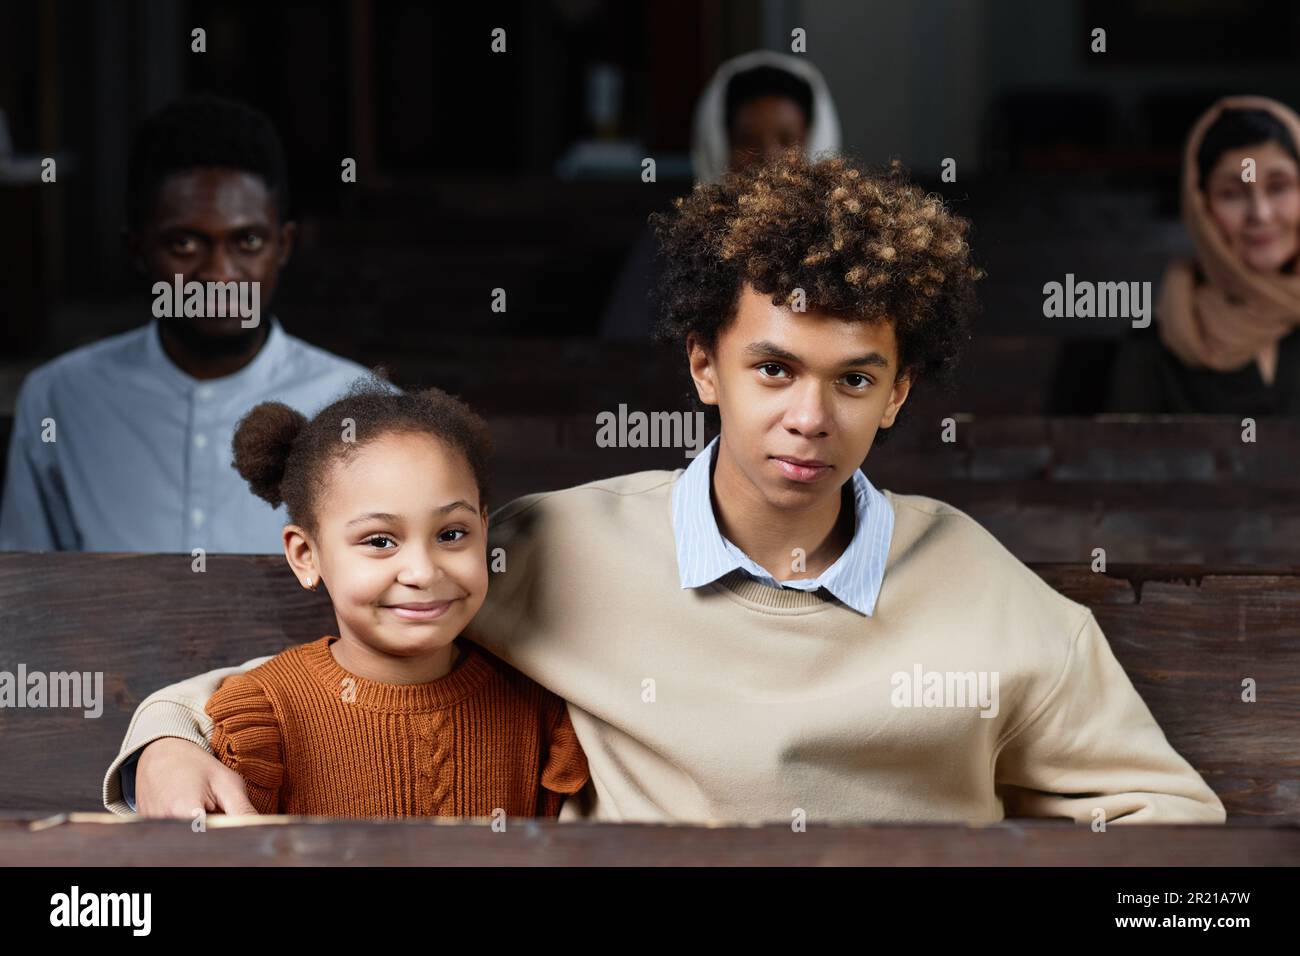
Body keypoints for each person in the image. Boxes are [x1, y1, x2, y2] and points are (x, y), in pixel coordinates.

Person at [104, 153, 1224, 826]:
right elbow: (297, 667)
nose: (807, 417)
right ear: (704, 366)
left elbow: (1168, 817)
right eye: (772, 367)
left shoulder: (985, 591)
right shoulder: (554, 548)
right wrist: (164, 741)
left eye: (855, 380)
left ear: (898, 392)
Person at [0, 93, 374, 552]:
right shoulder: (59, 399)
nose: (218, 274)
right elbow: (24, 595)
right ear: (136, 249)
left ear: (284, 246)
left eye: (248, 241)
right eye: (184, 245)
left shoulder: (361, 409)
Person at [202, 380, 588, 816]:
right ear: (306, 555)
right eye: (380, 541)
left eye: (452, 534)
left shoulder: (537, 709)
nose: (423, 572)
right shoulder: (266, 716)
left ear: (483, 529)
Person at [598, 50, 842, 340]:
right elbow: (625, 343)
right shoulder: (674, 240)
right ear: (719, 147)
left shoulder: (840, 241)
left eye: (787, 140)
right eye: (747, 141)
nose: (769, 158)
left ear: (813, 144)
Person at [1109, 96, 1300, 414]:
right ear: (1202, 208)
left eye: (1278, 187)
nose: (1260, 214)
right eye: (1232, 194)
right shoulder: (1161, 338)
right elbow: (1113, 459)